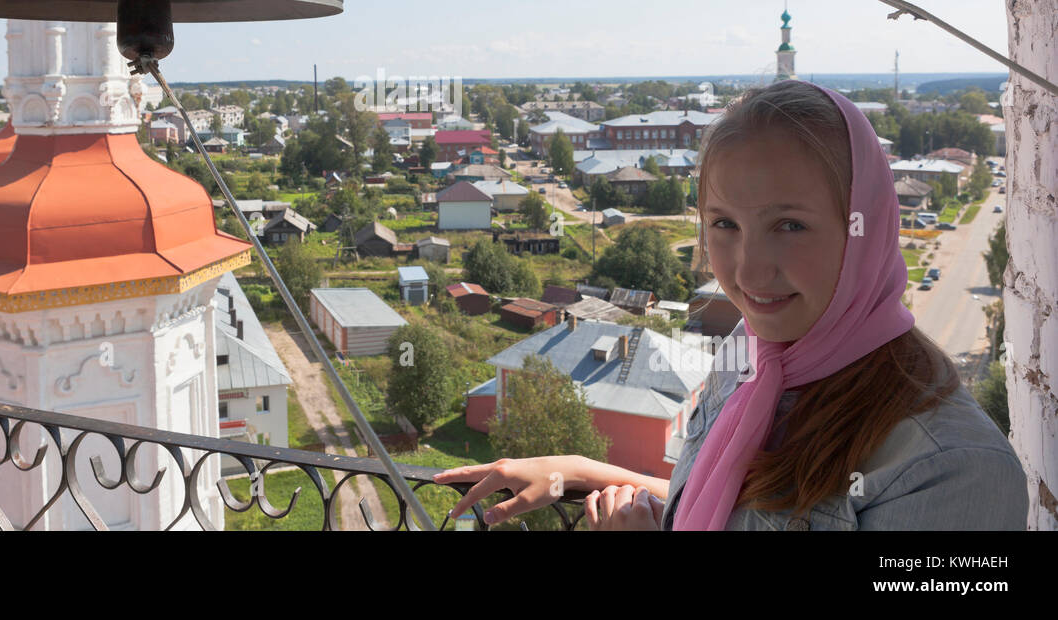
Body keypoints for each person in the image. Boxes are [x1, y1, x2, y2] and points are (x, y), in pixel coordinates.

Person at [434, 80, 1027, 530]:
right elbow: (728, 500)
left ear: (864, 228)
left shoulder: (954, 472)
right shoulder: (754, 354)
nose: (747, 270)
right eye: (724, 224)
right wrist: (581, 472)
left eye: (790, 225)